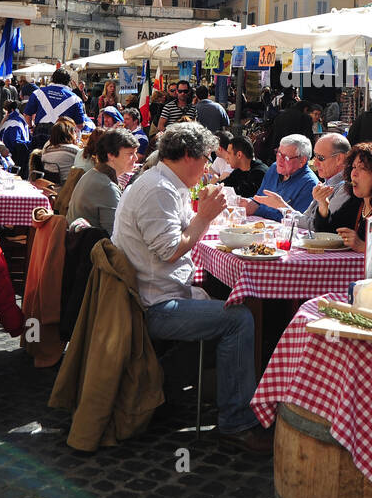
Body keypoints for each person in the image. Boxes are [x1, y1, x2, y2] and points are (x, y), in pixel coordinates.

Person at [111, 122, 270, 453]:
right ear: (187, 155)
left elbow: (177, 237)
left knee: (227, 299)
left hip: (156, 290)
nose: (209, 166)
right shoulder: (157, 189)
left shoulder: (165, 183)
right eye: (206, 158)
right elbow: (170, 250)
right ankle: (236, 422)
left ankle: (168, 387)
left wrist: (204, 216)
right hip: (153, 303)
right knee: (239, 319)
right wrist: (205, 217)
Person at [68, 128, 140, 233]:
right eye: (130, 154)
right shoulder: (106, 186)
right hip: (90, 247)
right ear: (111, 155)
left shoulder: (93, 174)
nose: (136, 158)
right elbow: (116, 235)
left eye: (135, 153)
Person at [245, 134, 318, 222]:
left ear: (302, 161)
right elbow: (258, 200)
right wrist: (245, 203)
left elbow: (298, 222)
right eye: (278, 153)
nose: (279, 160)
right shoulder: (274, 168)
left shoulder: (310, 184)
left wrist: (258, 210)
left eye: (285, 157)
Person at [22, 68, 87, 149]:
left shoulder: (38, 93)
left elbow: (26, 114)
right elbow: (80, 125)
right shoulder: (75, 99)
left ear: (53, 79)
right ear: (68, 81)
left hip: (40, 131)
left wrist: (31, 127)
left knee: (37, 158)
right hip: (63, 134)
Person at [40, 119, 82, 184]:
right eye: (74, 131)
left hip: (49, 184)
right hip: (68, 186)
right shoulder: (75, 150)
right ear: (69, 134)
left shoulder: (47, 149)